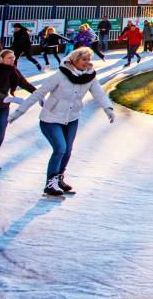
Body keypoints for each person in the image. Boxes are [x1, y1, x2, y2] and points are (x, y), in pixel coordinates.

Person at [10, 47, 115, 197]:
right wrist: (19, 112)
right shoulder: (61, 75)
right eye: (83, 59)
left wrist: (108, 109)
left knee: (68, 150)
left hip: (72, 118)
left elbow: (99, 93)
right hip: (51, 118)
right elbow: (39, 93)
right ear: (74, 60)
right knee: (60, 148)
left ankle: (59, 179)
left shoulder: (90, 77)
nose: (87, 63)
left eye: (88, 60)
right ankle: (50, 183)